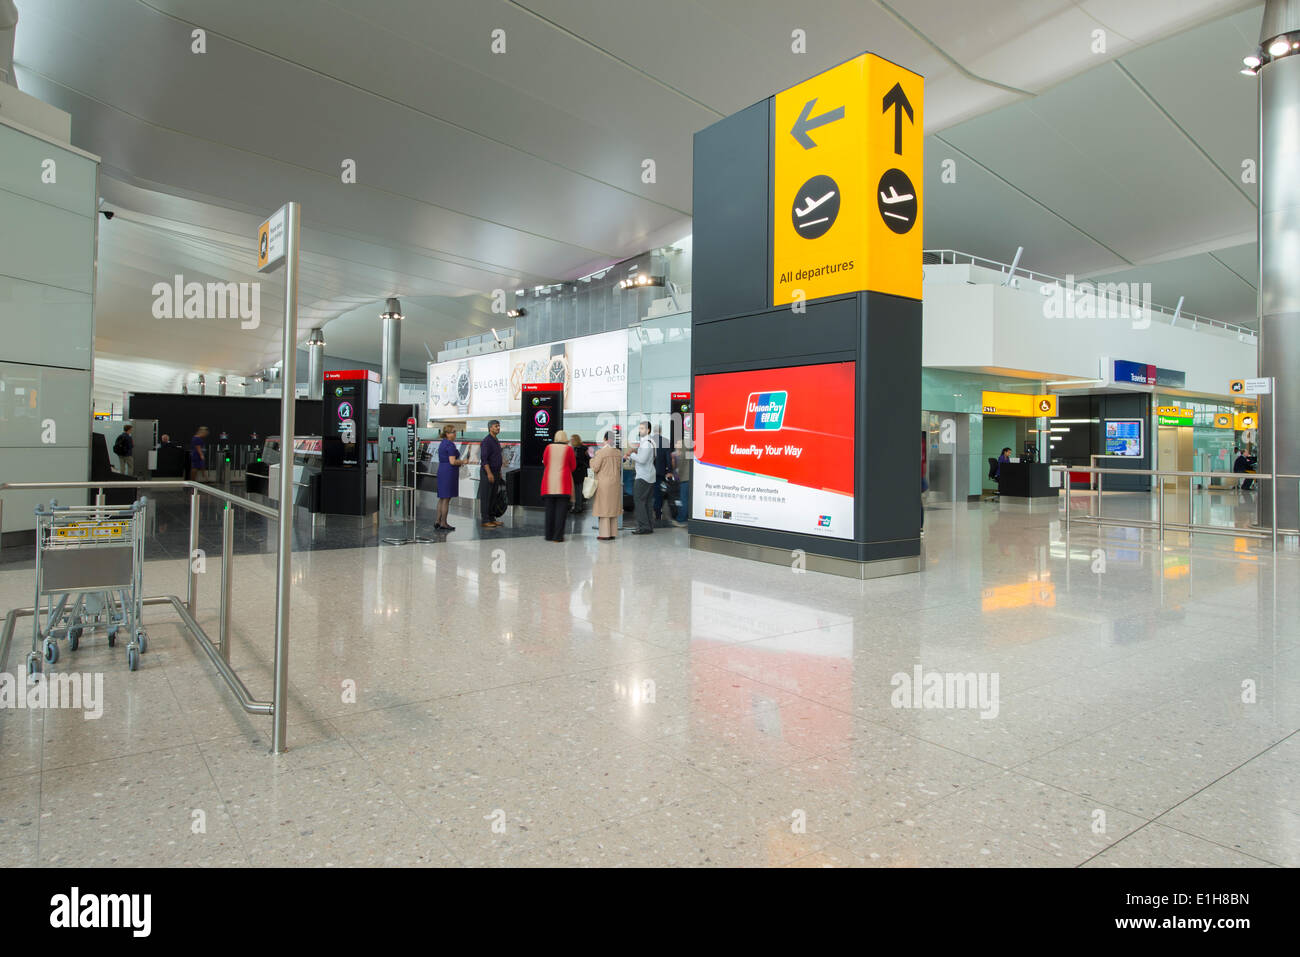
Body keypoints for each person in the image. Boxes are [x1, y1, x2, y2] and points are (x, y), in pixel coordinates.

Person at [541, 429, 576, 542]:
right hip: (563, 484)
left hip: (549, 483)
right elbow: (573, 466)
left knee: (549, 511)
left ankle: (548, 535)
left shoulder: (548, 447)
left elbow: (545, 462)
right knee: (561, 512)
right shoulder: (569, 449)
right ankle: (558, 537)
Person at [624, 420, 656, 535]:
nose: (640, 430)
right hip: (649, 475)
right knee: (646, 502)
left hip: (643, 476)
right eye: (639, 428)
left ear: (648, 430)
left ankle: (643, 527)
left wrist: (632, 455)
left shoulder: (646, 443)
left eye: (642, 428)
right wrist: (635, 452)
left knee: (639, 501)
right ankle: (648, 526)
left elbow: (642, 460)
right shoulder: (649, 442)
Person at [590, 431, 622, 540]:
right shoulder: (618, 452)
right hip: (615, 483)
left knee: (604, 509)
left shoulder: (600, 453)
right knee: (612, 508)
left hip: (604, 484)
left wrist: (591, 459)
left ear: (604, 439)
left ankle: (604, 534)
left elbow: (595, 468)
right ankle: (613, 533)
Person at [435, 425, 468, 530]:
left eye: (455, 432)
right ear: (447, 434)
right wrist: (463, 461)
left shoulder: (443, 443)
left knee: (442, 498)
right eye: (453, 432)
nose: (455, 434)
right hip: (449, 472)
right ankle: (444, 523)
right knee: (446, 499)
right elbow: (453, 461)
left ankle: (438, 521)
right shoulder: (450, 445)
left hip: (442, 470)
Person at [479, 419, 504, 528]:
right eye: (495, 426)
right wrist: (489, 473)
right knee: (486, 496)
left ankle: (492, 518)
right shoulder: (486, 441)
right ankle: (485, 519)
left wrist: (499, 472)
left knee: (493, 496)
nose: (498, 428)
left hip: (496, 471)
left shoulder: (496, 440)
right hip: (488, 472)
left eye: (498, 426)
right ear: (490, 428)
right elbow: (484, 459)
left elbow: (497, 457)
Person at [652, 425, 670, 523]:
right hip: (660, 472)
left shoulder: (649, 441)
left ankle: (652, 511)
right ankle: (658, 514)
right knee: (659, 493)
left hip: (649, 471)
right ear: (661, 431)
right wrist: (669, 471)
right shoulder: (666, 441)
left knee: (651, 492)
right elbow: (668, 458)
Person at [671, 438, 691, 525]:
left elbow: (679, 469)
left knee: (684, 499)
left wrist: (677, 476)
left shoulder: (682, 456)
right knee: (686, 499)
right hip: (689, 479)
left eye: (678, 444)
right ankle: (686, 517)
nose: (676, 446)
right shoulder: (689, 454)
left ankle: (681, 519)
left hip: (685, 479)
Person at [569, 434, 590, 514]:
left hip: (577, 472)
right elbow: (587, 461)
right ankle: (578, 506)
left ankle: (577, 507)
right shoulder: (584, 449)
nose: (570, 441)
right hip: (581, 472)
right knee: (578, 490)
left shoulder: (578, 449)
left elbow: (579, 461)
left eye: (572, 439)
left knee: (577, 490)